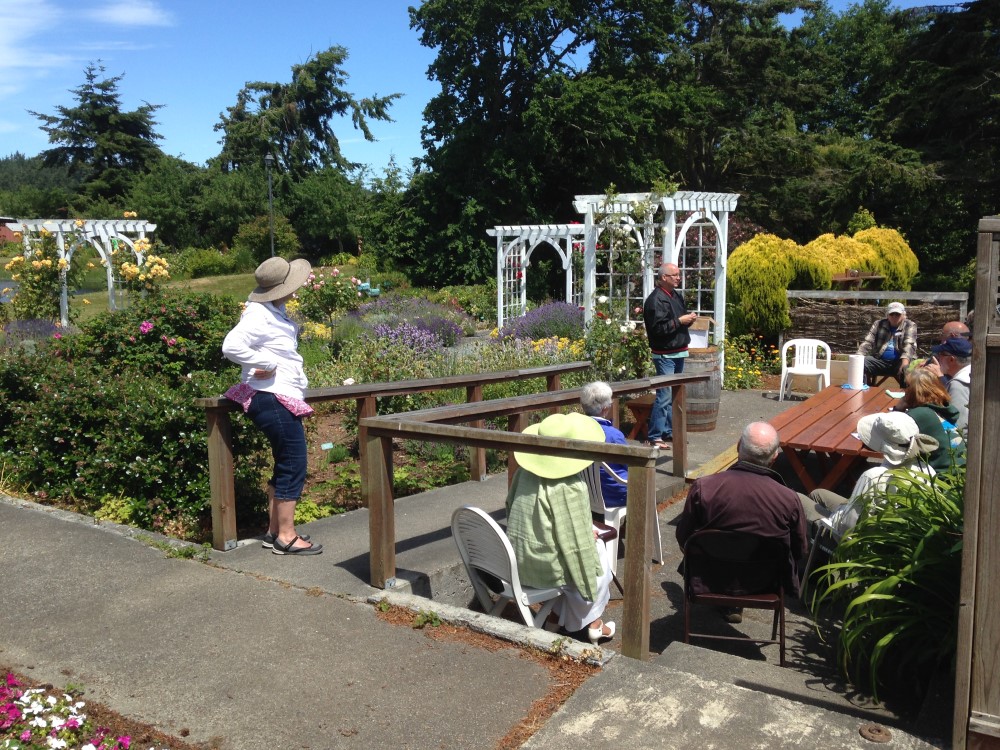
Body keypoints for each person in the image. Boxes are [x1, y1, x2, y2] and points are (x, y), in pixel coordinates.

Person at [222, 257, 322, 556]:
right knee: (294, 464)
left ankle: (275, 531)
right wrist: (267, 363)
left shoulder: (269, 311)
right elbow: (231, 346)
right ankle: (286, 536)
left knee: (284, 463)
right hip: (273, 398)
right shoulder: (259, 316)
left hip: (275, 396)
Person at [676, 422, 809, 623]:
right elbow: (799, 550)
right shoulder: (788, 499)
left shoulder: (705, 487)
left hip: (709, 577)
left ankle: (728, 601)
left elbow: (683, 537)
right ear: (775, 457)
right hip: (766, 583)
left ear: (738, 446)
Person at [507, 412, 615, 644]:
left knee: (587, 552)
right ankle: (595, 623)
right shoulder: (570, 486)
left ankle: (555, 618)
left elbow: (511, 509)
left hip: (518, 560)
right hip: (546, 569)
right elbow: (576, 545)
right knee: (597, 558)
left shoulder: (523, 474)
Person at [802, 412, 937, 539]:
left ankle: (811, 553)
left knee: (797, 499)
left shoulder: (873, 477)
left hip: (850, 539)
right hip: (895, 535)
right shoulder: (928, 470)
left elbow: (848, 528)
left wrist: (833, 518)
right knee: (817, 493)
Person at [642, 262, 697, 449]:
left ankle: (669, 431)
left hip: (679, 350)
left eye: (679, 275)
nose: (678, 278)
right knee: (664, 395)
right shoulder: (654, 300)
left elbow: (678, 322)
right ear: (664, 277)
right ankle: (654, 436)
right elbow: (657, 330)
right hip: (664, 353)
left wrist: (687, 320)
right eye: (674, 275)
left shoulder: (675, 295)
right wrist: (680, 320)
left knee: (675, 394)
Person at [897, 367, 965, 472]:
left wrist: (898, 408)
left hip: (943, 479)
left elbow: (891, 435)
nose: (903, 390)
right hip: (961, 473)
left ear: (912, 390)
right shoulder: (945, 409)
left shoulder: (920, 414)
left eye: (906, 386)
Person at [579, 381, 628, 508]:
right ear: (605, 409)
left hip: (584, 491)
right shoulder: (614, 435)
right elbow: (630, 464)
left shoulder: (576, 429)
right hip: (615, 494)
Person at [857, 302, 917, 387]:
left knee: (906, 368)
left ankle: (905, 396)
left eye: (897, 314)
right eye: (892, 314)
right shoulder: (878, 324)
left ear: (904, 315)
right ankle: (863, 389)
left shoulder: (910, 325)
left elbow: (909, 345)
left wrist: (905, 362)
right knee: (860, 363)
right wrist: (858, 356)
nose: (894, 316)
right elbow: (868, 341)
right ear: (887, 315)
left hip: (899, 362)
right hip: (880, 360)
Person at [924, 337, 972, 433]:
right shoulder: (971, 373)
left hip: (962, 444)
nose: (938, 357)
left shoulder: (958, 384)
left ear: (951, 359)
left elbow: (958, 424)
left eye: (941, 354)